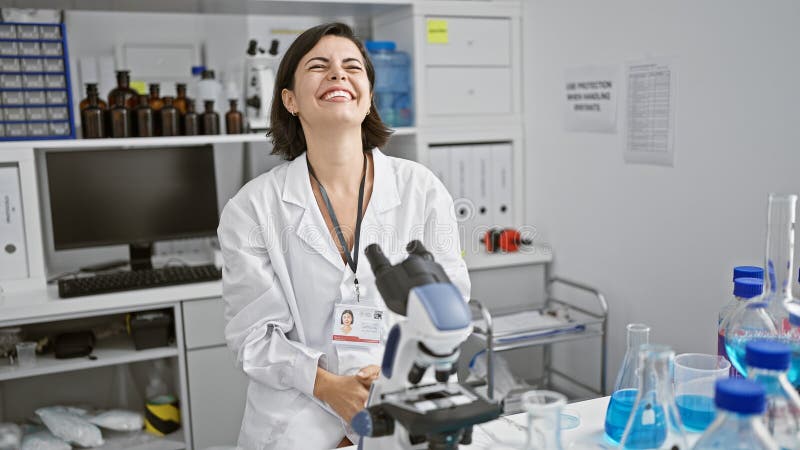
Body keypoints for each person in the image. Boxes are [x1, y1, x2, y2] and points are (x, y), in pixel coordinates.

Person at [217, 22, 469, 450]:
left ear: (368, 95)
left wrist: (386, 376)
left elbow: (451, 302)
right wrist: (328, 386)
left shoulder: (420, 189)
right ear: (290, 100)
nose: (338, 74)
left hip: (404, 398)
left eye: (352, 66)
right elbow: (253, 337)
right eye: (319, 65)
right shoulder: (253, 208)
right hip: (298, 419)